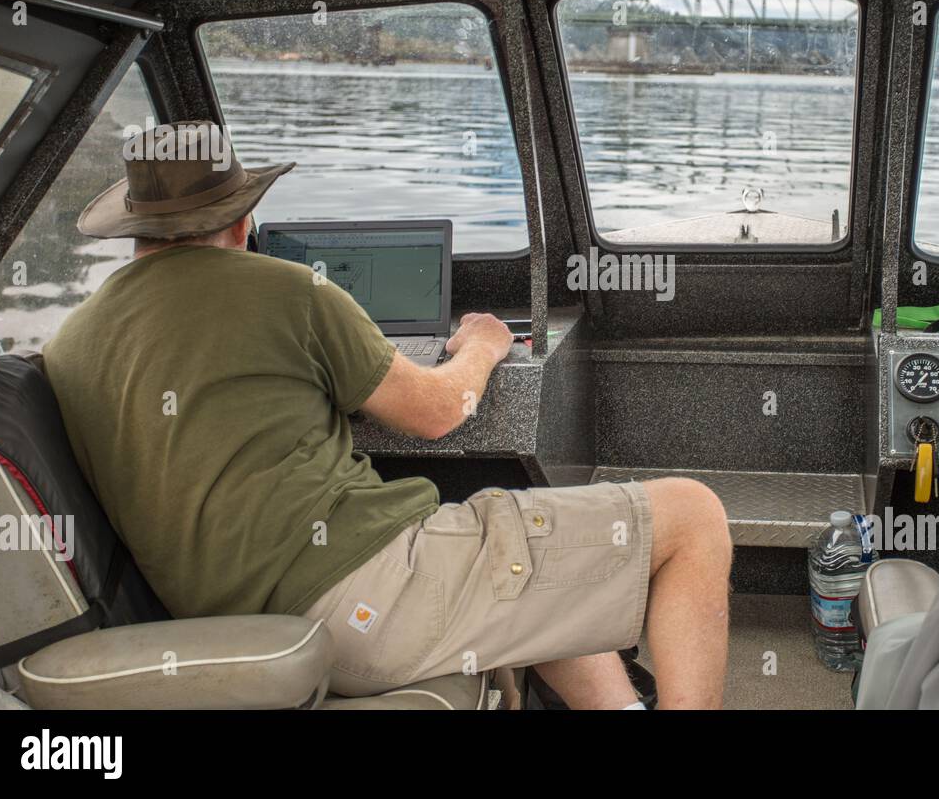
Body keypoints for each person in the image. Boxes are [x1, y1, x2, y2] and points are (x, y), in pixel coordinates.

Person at [43, 121, 731, 709]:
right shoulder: (290, 289)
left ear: (135, 228)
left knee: (534, 565)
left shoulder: (70, 342)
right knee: (693, 515)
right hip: (362, 602)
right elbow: (437, 410)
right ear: (242, 219)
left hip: (220, 629)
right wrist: (487, 345)